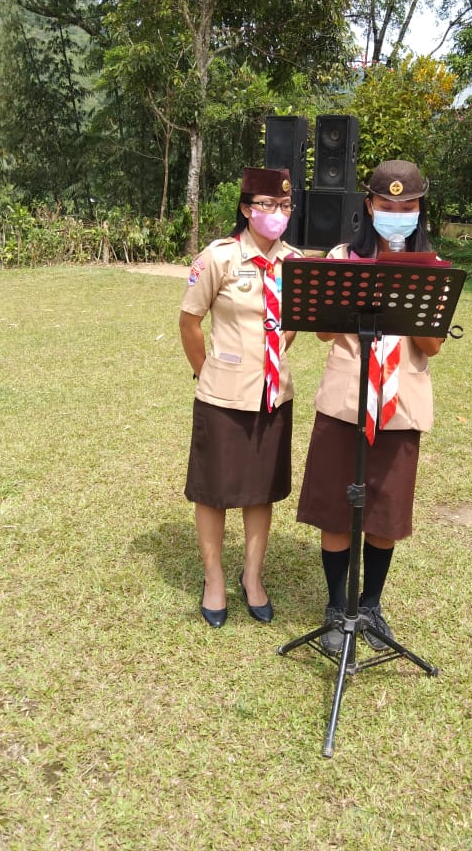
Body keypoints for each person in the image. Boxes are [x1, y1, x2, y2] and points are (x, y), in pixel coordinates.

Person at [296, 159, 444, 654]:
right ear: (370, 205)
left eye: (407, 206)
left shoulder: (433, 266)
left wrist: (405, 294)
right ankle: (337, 606)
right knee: (337, 510)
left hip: (400, 404)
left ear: (420, 210)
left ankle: (372, 603)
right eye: (387, 204)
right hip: (346, 401)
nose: (397, 213)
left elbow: (434, 345)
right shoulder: (341, 257)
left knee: (385, 511)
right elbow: (321, 330)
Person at [179, 167, 299, 627]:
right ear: (248, 209)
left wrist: (274, 354)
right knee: (212, 491)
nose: (277, 214)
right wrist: (206, 371)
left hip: (274, 394)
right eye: (268, 205)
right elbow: (190, 321)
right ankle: (213, 579)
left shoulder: (295, 262)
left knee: (259, 489)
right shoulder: (218, 257)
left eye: (285, 206)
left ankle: (252, 577)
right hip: (222, 395)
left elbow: (295, 322)